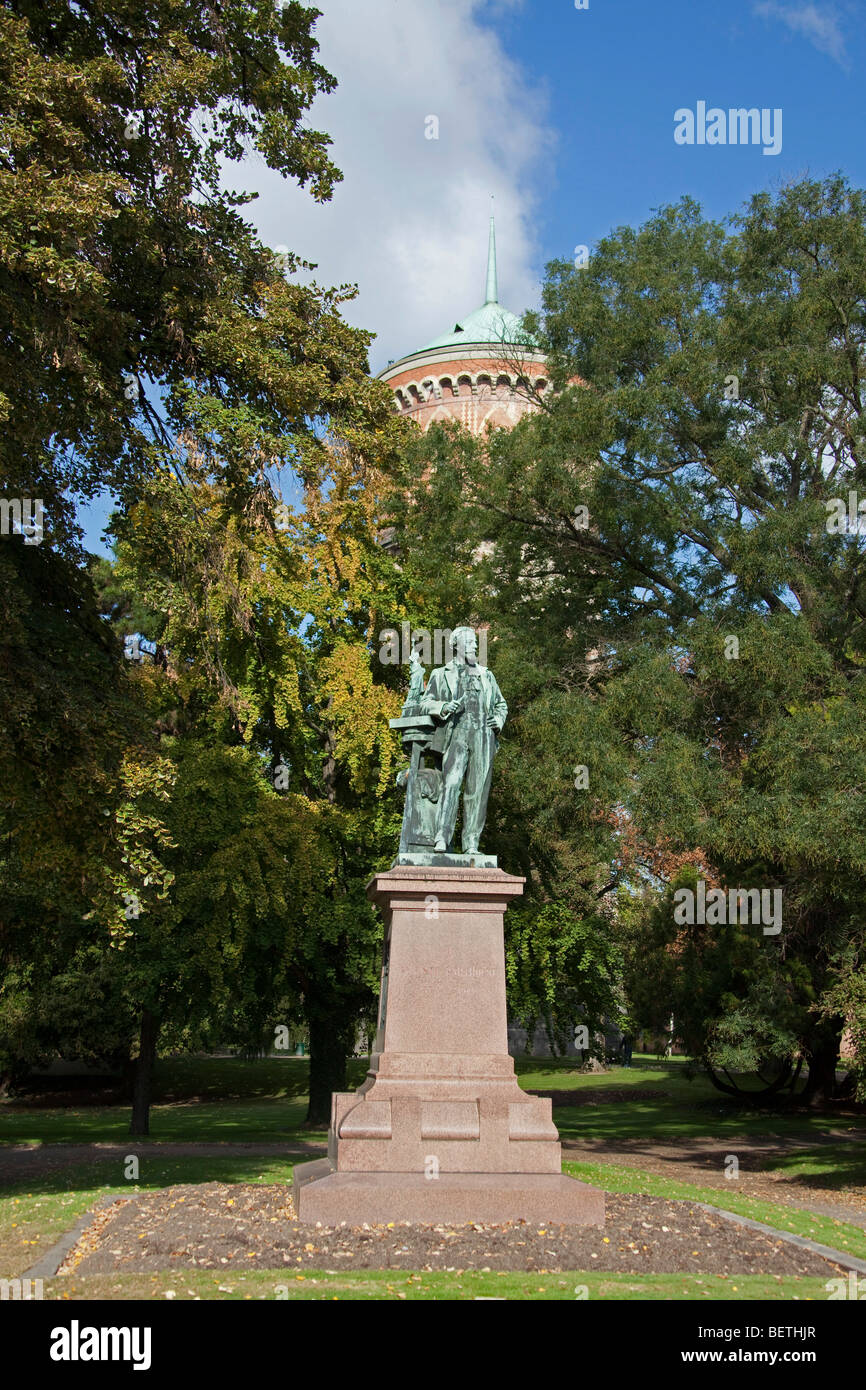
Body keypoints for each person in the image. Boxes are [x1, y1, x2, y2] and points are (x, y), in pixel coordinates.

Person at [421, 625, 507, 853]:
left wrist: (498, 721)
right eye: (470, 642)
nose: (475, 645)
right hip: (456, 735)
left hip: (483, 737)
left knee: (477, 792)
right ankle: (442, 837)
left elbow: (501, 704)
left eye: (475, 642)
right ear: (456, 645)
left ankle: (471, 844)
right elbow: (425, 702)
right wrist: (444, 707)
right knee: (451, 784)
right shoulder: (441, 674)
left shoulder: (486, 674)